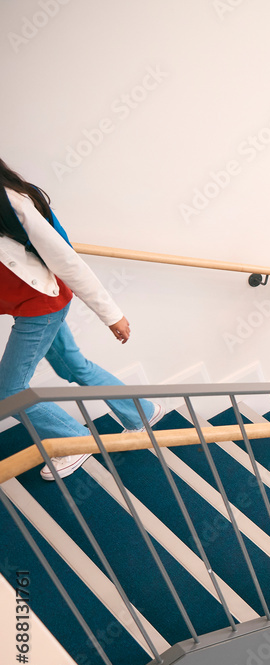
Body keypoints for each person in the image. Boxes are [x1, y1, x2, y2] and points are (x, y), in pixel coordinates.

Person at [0, 158, 162, 481]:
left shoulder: (13, 204)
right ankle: (141, 411)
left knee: (9, 391)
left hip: (40, 307)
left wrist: (111, 315)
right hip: (37, 304)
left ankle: (73, 441)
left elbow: (67, 261)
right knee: (72, 366)